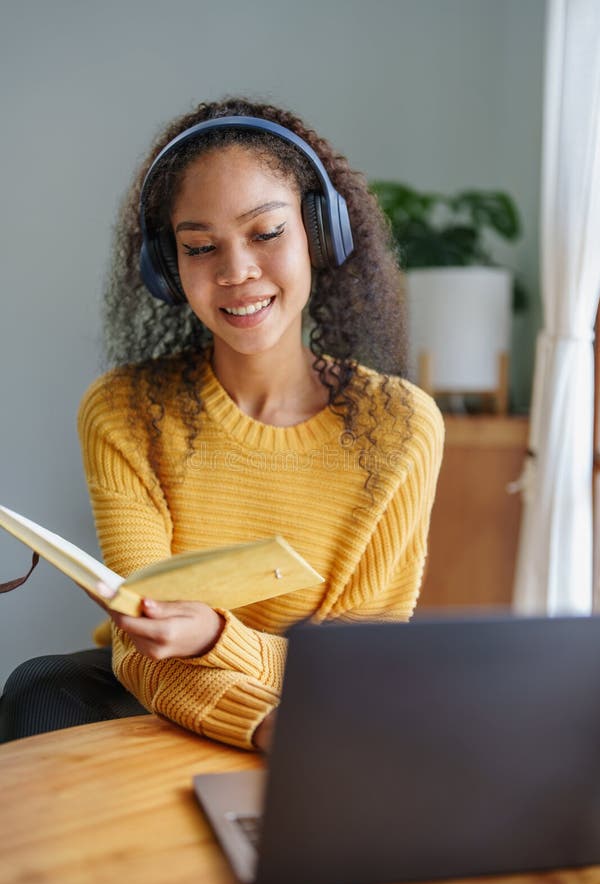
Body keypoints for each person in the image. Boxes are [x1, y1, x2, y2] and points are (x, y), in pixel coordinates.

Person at [0, 97, 443, 750]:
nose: (236, 272)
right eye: (201, 247)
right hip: (163, 688)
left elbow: (360, 666)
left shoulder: (401, 426)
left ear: (319, 236)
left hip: (321, 692)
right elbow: (143, 642)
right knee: (42, 690)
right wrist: (260, 726)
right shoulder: (124, 410)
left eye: (266, 234)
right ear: (167, 267)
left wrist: (219, 637)